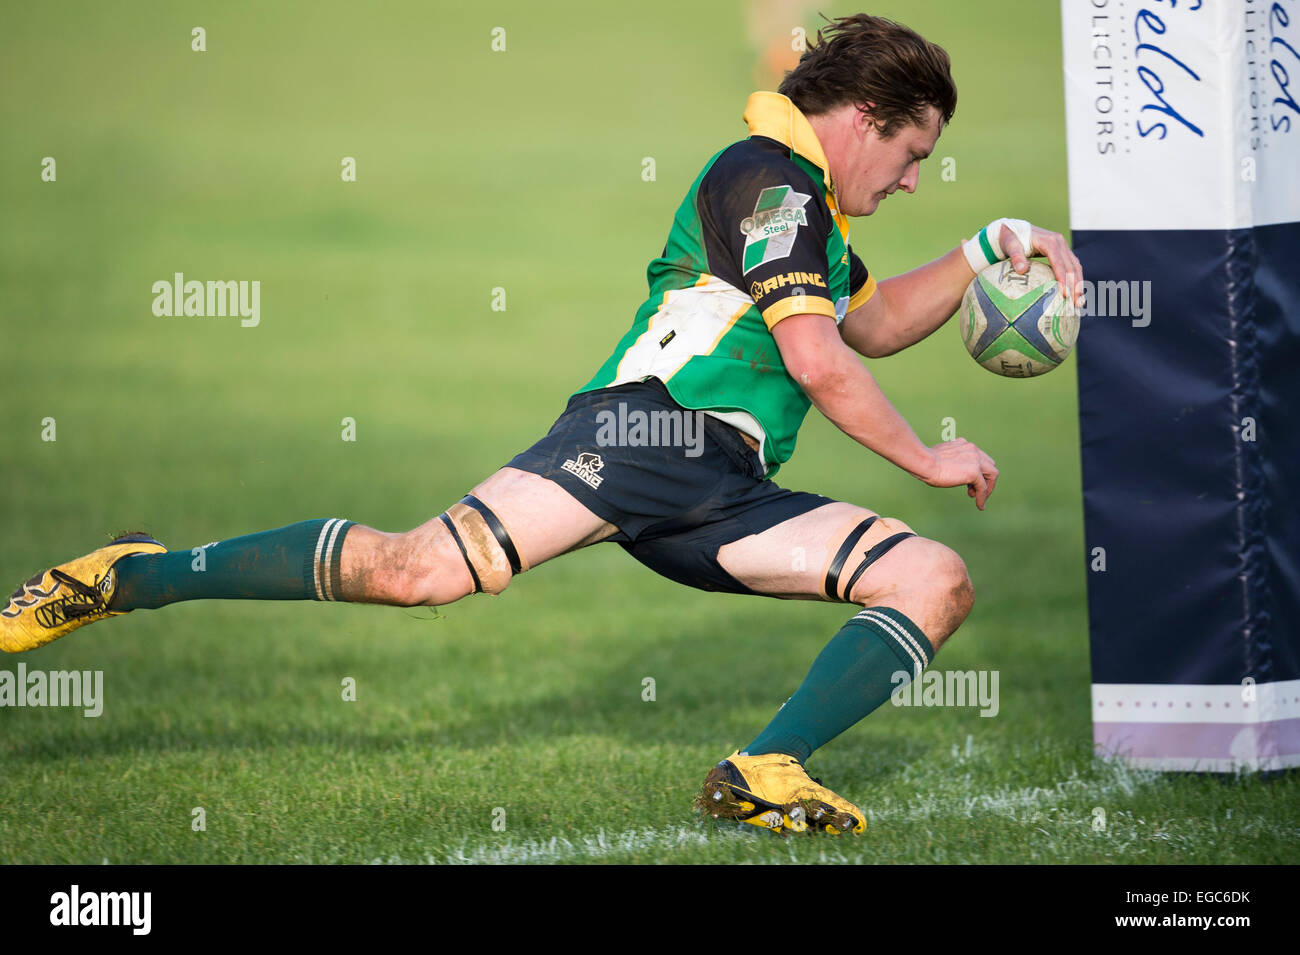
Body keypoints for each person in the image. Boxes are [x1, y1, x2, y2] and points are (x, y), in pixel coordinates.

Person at [1, 14, 1082, 836]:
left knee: (930, 579)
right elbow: (817, 357)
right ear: (862, 121)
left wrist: (992, 244)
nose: (910, 179)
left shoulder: (814, 213)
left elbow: (877, 320)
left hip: (725, 487)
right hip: (643, 439)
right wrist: (926, 454)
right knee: (413, 570)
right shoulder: (767, 185)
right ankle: (130, 573)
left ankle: (763, 769)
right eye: (913, 154)